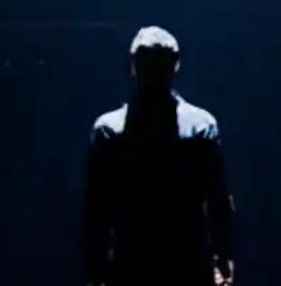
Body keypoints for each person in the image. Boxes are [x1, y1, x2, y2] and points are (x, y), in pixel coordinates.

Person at [83, 26, 235, 286]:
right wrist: (224, 257)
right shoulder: (201, 126)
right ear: (176, 66)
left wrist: (95, 268)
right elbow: (218, 201)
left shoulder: (108, 130)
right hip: (188, 264)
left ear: (133, 67)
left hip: (131, 266)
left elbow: (96, 210)